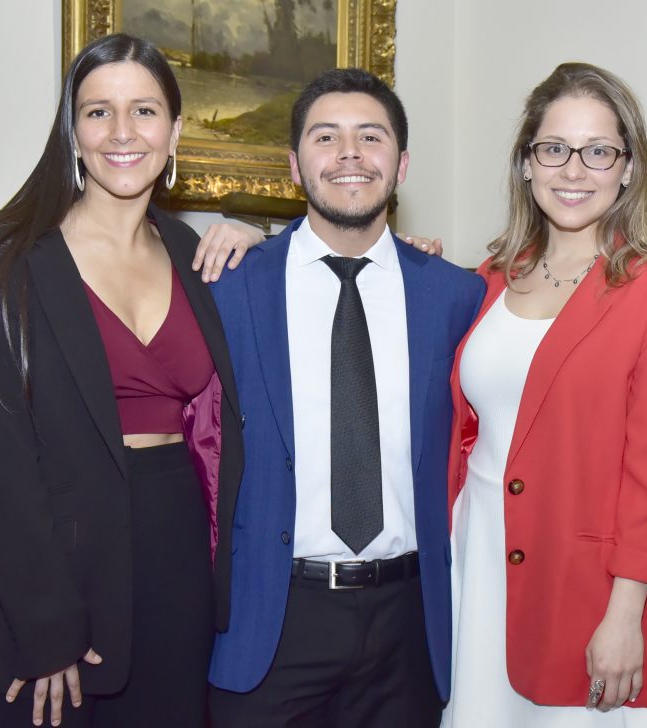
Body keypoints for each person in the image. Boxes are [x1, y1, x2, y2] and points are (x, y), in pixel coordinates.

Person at [0, 33, 264, 727]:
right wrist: (46, 626)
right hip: (47, 576)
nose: (122, 133)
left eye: (144, 111)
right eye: (98, 112)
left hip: (177, 571)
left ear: (175, 132)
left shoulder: (199, 257)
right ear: (72, 131)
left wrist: (263, 242)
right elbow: (0, 471)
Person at [205, 68, 486, 727]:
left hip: (407, 628)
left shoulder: (455, 296)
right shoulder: (231, 289)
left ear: (403, 163)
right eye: (326, 137)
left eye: (371, 136)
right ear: (296, 167)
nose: (350, 153)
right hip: (272, 622)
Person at [440, 62, 647, 727]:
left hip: (587, 588)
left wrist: (625, 617)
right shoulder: (490, 279)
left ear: (627, 169)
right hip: (476, 568)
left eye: (598, 152)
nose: (573, 170)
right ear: (527, 164)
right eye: (554, 148)